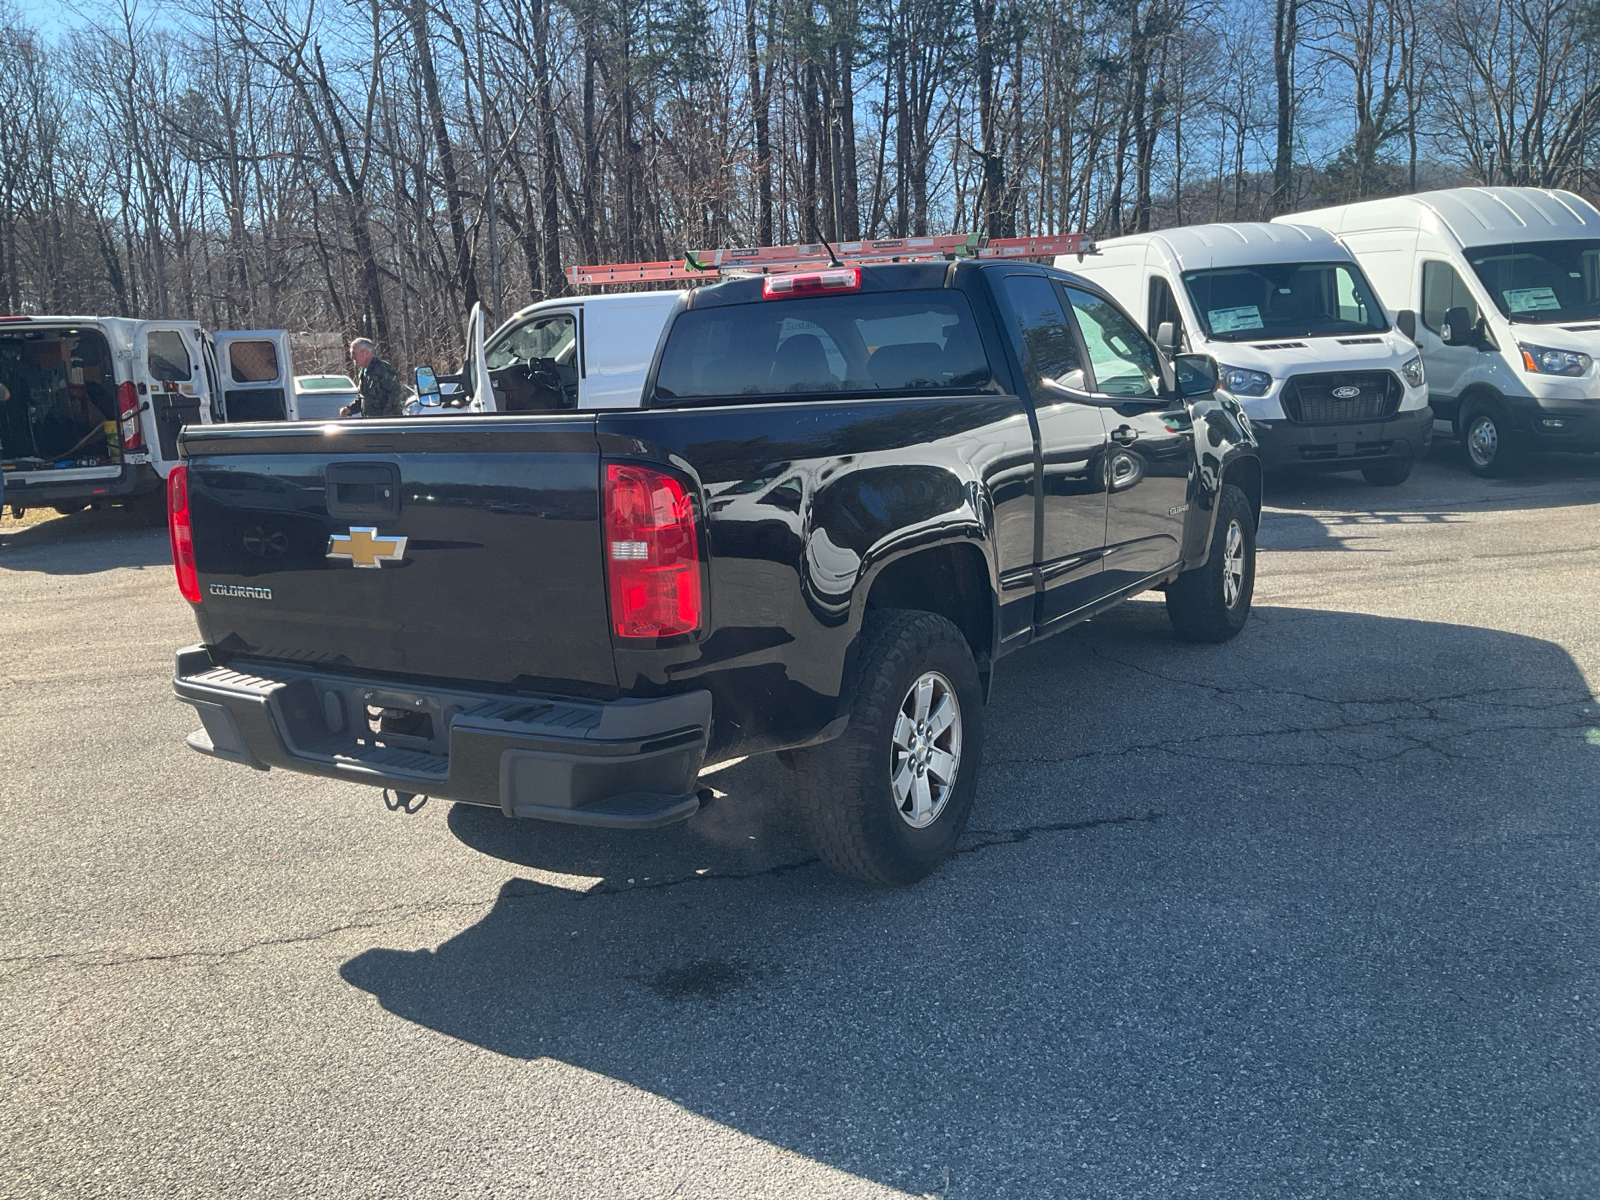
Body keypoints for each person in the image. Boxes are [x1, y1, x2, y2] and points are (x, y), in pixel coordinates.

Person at [339, 338, 404, 418]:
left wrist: (386, 418)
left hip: (387, 422)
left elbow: (396, 394)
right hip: (370, 422)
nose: (352, 357)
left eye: (354, 353)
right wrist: (350, 409)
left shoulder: (384, 370)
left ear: (366, 353)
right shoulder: (363, 373)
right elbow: (364, 397)